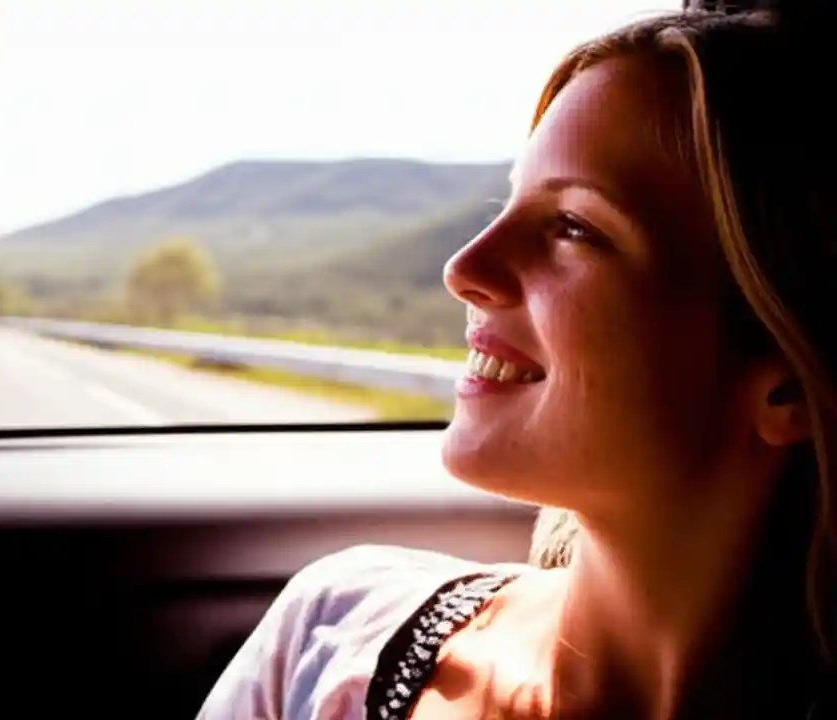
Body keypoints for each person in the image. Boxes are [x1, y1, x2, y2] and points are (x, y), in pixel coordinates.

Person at [197, 6, 837, 719]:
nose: (464, 267)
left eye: (573, 227)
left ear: (785, 389)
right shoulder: (328, 640)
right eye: (509, 203)